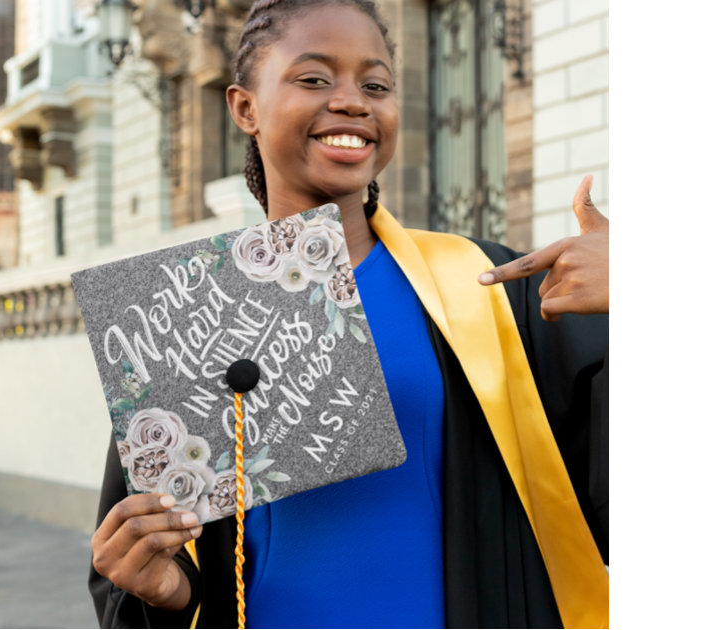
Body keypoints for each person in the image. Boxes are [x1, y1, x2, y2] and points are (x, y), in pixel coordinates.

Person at [87, 0, 609, 627]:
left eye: (376, 85)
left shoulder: (487, 287)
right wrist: (166, 594)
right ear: (244, 107)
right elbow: (153, 568)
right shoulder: (188, 316)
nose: (353, 101)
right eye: (313, 79)